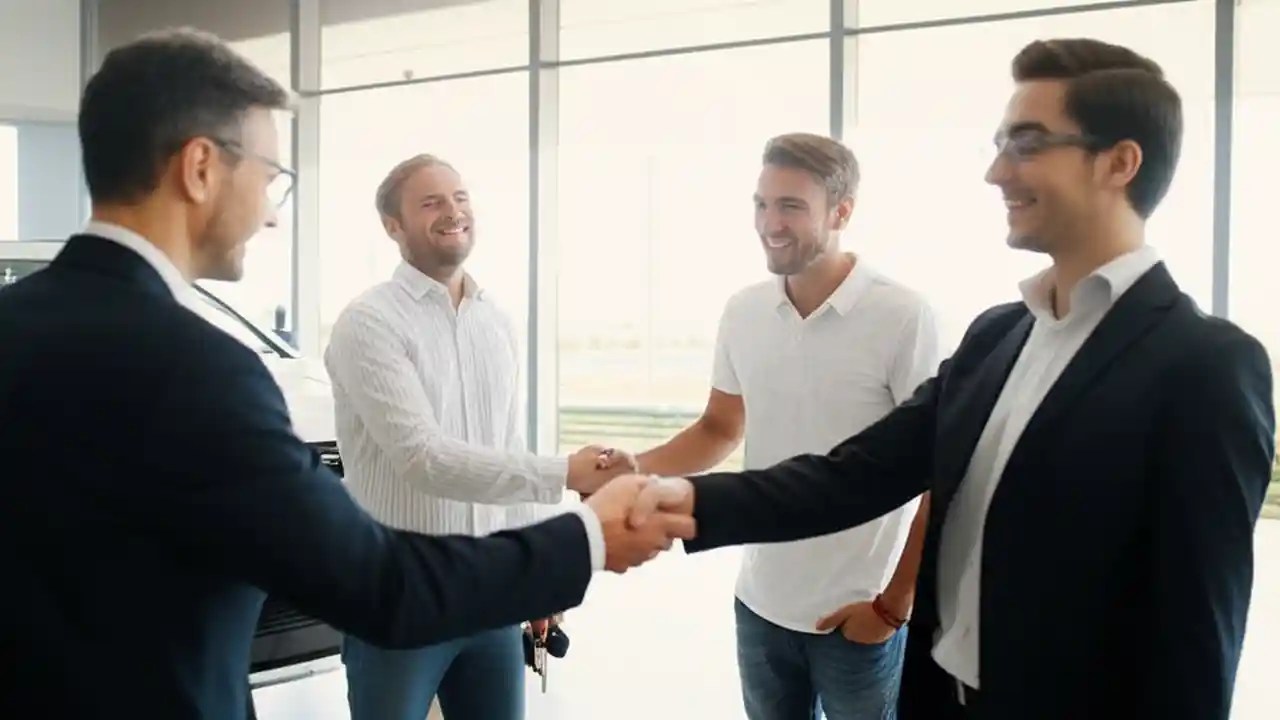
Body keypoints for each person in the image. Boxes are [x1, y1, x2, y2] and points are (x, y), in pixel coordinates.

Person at [0, 28, 692, 720]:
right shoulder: (205, 371)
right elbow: (377, 584)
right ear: (201, 168)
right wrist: (585, 537)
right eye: (271, 177)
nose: (272, 215)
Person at [623, 38, 1274, 719]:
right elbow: (850, 476)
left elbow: (1196, 647)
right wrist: (672, 500)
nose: (996, 172)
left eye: (1026, 143)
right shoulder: (997, 337)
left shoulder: (1206, 368)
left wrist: (884, 604)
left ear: (1119, 162)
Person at [631, 133, 939, 719]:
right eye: (761, 204)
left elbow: (938, 473)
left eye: (790, 206)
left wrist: (894, 606)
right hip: (760, 605)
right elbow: (720, 427)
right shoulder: (744, 310)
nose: (770, 222)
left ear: (841, 211)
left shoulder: (902, 316)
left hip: (860, 615)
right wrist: (631, 472)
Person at [324, 153, 637, 720]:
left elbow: (506, 449)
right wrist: (567, 472)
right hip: (399, 598)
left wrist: (535, 576)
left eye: (460, 197)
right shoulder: (367, 323)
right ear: (393, 227)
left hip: (489, 594)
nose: (453, 211)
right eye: (431, 202)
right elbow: (423, 458)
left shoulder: (495, 320)